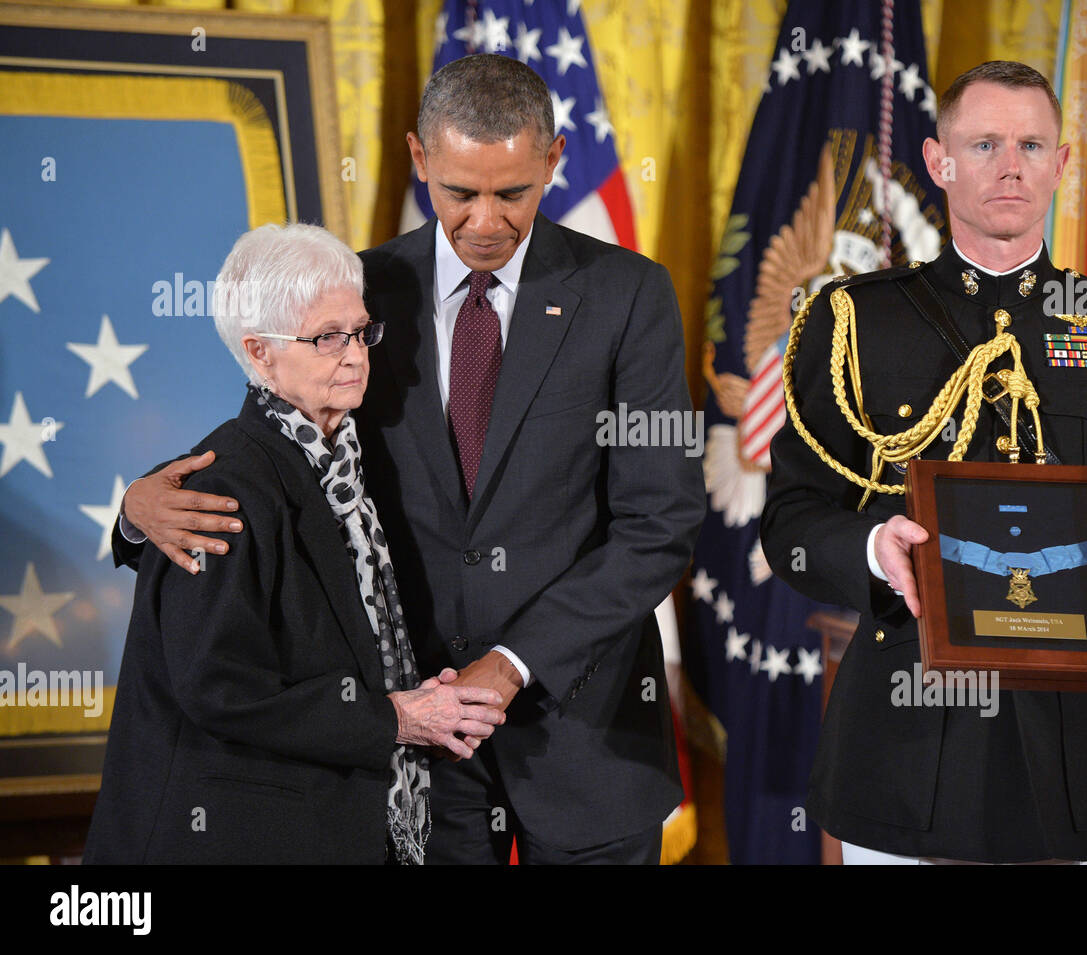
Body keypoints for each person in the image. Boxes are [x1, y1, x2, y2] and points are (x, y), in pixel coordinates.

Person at [111, 55, 705, 864]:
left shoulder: (628, 296)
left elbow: (660, 522)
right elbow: (277, 429)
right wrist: (138, 506)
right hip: (418, 754)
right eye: (460, 192)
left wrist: (512, 662)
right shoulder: (362, 291)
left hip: (586, 742)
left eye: (514, 192)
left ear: (555, 160)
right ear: (419, 160)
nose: (487, 221)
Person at [761, 61, 1087, 864]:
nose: (1010, 165)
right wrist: (873, 550)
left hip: (1073, 755)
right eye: (984, 144)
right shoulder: (852, 323)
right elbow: (792, 522)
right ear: (938, 161)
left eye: (1031, 144)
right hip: (905, 749)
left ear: (1061, 165)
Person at [85, 223, 505, 864]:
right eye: (326, 338)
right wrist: (396, 719)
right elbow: (219, 688)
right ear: (259, 353)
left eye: (362, 331)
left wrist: (423, 697)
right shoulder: (216, 489)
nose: (356, 355)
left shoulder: (352, 456)